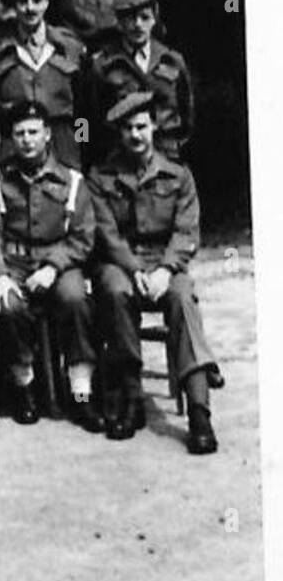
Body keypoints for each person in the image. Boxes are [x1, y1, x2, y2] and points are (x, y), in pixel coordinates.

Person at [88, 92, 220, 453]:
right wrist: (133, 269)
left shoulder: (178, 175)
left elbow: (187, 232)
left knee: (182, 296)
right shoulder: (101, 177)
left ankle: (199, 410)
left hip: (166, 261)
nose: (136, 135)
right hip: (120, 262)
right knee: (114, 292)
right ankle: (131, 399)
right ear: (120, 133)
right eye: (128, 128)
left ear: (155, 127)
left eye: (142, 126)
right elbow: (106, 234)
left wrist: (164, 269)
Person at [0, 99, 103, 431]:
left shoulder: (72, 180)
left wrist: (52, 267)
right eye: (19, 133)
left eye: (34, 132)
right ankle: (24, 385)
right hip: (13, 261)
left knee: (76, 299)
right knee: (7, 305)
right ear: (11, 138)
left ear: (48, 134)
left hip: (58, 261)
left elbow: (83, 236)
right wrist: (0, 276)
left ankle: (81, 392)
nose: (27, 140)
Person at [0, 0, 88, 169]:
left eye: (36, 1)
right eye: (23, 2)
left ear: (46, 2)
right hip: (15, 147)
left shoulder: (70, 48)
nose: (30, 8)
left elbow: (83, 111)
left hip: (63, 146)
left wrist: (80, 144)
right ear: (14, 7)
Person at [87, 0, 194, 162]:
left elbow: (187, 115)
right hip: (121, 159)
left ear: (154, 19)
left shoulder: (172, 60)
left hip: (167, 157)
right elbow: (93, 119)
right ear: (120, 22)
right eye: (130, 18)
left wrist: (175, 146)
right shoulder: (103, 65)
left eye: (145, 17)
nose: (138, 25)